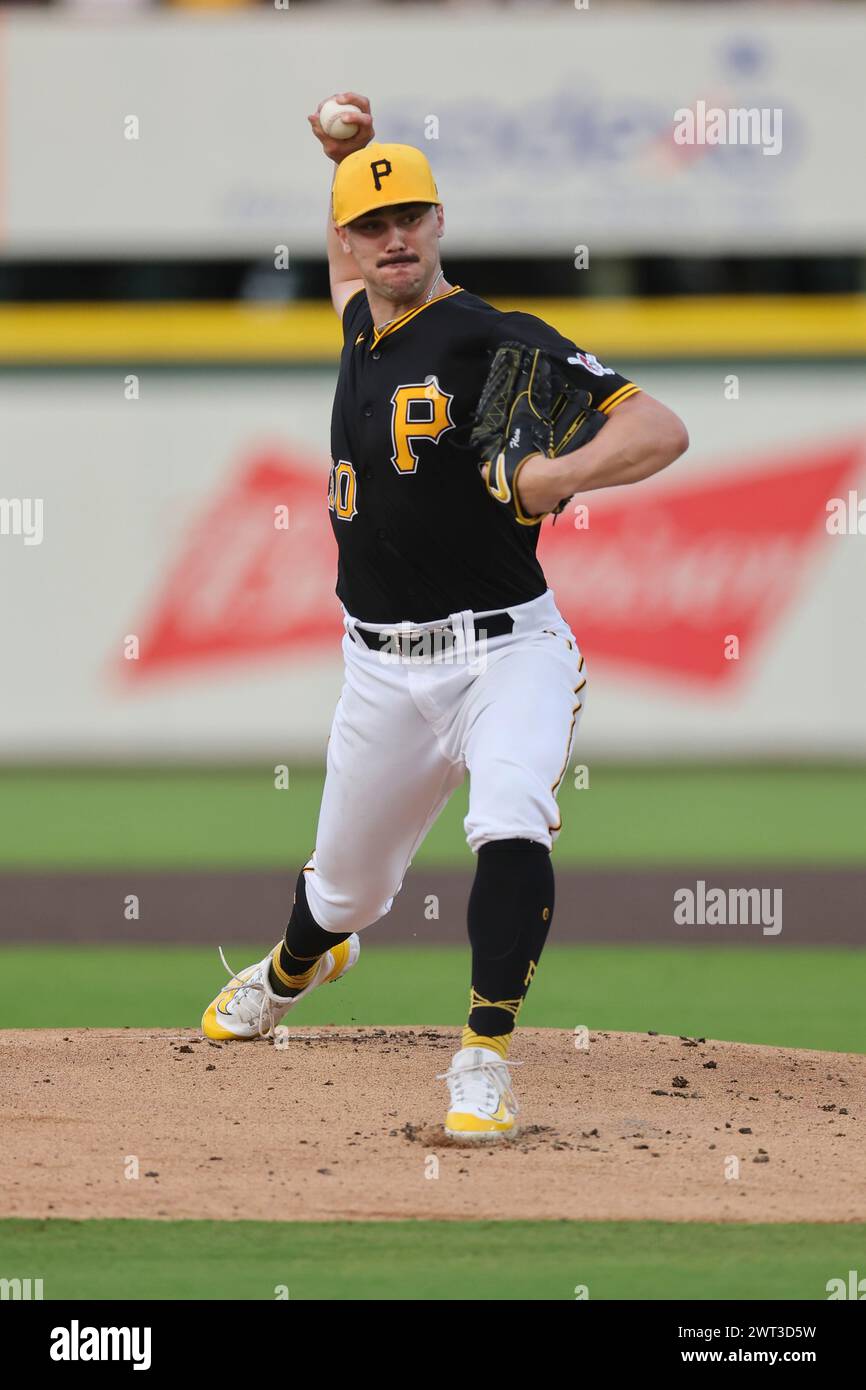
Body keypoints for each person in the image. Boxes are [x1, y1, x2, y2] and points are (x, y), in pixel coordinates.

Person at [201, 92, 688, 1141]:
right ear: (345, 239)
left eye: (409, 216)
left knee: (507, 818)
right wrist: (348, 155)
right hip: (380, 667)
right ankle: (296, 966)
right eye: (371, 223)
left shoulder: (487, 336)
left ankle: (484, 1054)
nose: (392, 238)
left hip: (505, 648)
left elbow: (659, 427)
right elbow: (348, 265)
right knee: (342, 891)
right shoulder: (357, 317)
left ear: (437, 223)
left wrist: (557, 471)